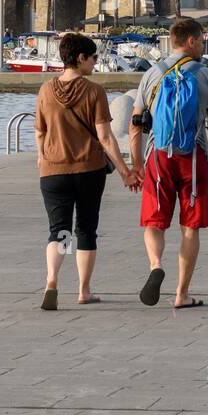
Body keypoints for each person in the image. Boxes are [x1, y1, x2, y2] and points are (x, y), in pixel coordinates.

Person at [34, 33, 139, 310]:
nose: (95, 62)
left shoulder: (46, 90)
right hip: (88, 170)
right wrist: (125, 171)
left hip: (52, 171)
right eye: (93, 58)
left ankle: (52, 282)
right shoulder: (94, 92)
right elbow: (106, 138)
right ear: (80, 58)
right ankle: (83, 290)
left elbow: (39, 132)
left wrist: (42, 159)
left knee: (59, 230)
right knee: (86, 229)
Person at [130, 18, 208, 309]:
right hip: (194, 157)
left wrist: (136, 165)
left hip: (158, 156)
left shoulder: (152, 75)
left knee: (154, 223)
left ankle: (156, 264)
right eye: (203, 40)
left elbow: (135, 124)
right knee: (190, 227)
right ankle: (181, 294)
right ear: (192, 41)